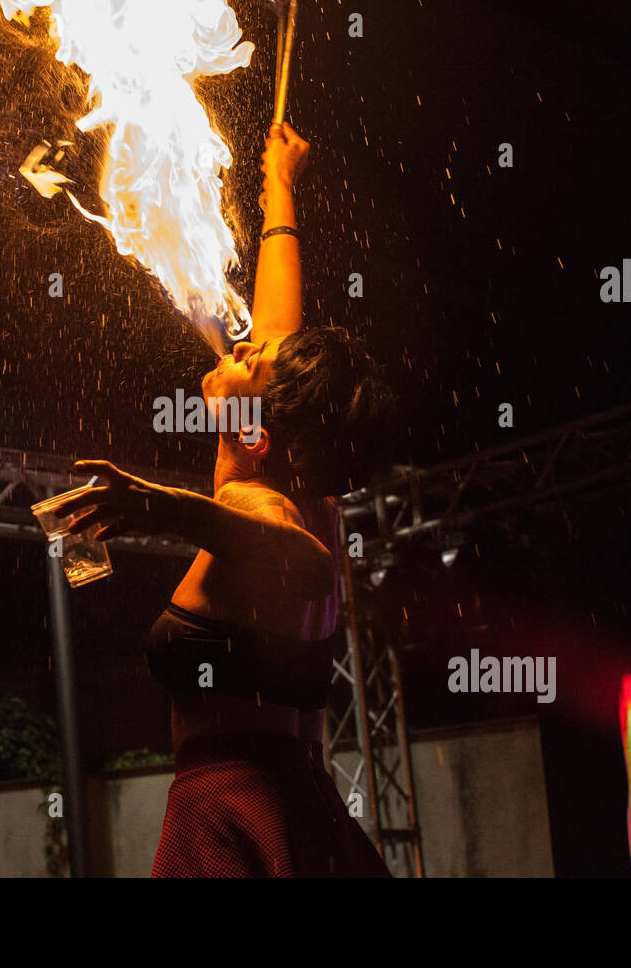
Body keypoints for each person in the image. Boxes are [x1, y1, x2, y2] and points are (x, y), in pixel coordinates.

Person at [56, 121, 396, 877]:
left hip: (238, 813)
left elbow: (302, 564)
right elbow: (278, 324)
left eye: (254, 360)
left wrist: (161, 506)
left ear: (261, 429)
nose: (245, 342)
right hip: (281, 808)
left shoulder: (265, 511)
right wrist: (280, 184)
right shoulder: (292, 478)